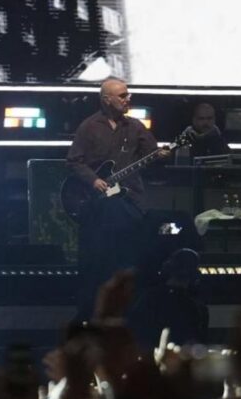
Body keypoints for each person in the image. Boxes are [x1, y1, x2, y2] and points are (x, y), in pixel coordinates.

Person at [66, 77, 168, 317]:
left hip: (130, 200)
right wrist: (94, 180)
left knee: (129, 257)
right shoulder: (89, 127)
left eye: (127, 94)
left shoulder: (135, 127)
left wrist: (162, 155)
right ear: (106, 100)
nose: (128, 99)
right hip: (97, 207)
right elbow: (74, 161)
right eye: (122, 95)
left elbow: (151, 154)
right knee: (99, 264)